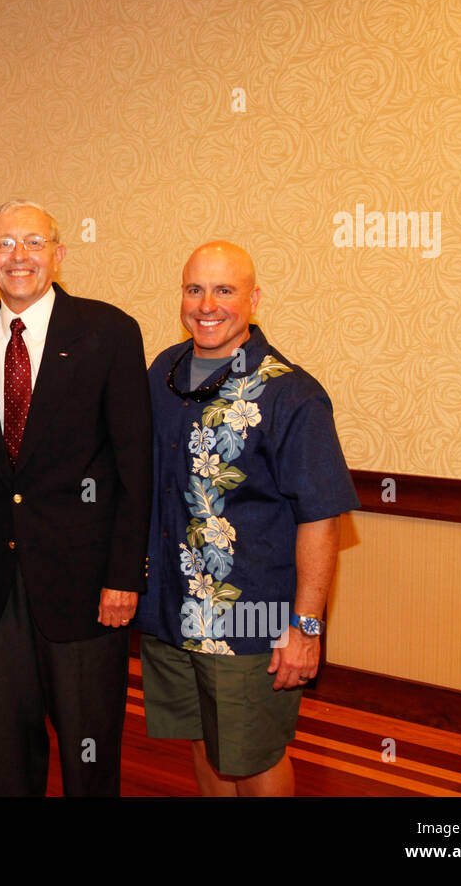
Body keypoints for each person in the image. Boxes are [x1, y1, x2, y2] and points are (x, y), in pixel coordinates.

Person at [134, 240, 359, 796]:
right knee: (205, 744)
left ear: (253, 299)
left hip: (249, 620)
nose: (207, 304)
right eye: (194, 289)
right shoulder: (164, 370)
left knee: (253, 756)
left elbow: (321, 518)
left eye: (224, 290)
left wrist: (306, 628)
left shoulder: (292, 393)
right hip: (170, 610)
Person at [0, 200, 152, 796]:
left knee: (88, 753)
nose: (19, 256)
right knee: (8, 754)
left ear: (59, 255)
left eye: (34, 243)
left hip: (88, 583)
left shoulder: (108, 331)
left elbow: (135, 467)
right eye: (5, 244)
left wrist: (124, 575)